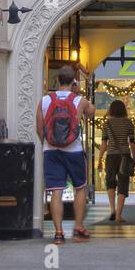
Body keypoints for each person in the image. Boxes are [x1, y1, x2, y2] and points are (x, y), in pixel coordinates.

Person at [35, 65, 96, 243]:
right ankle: (78, 227)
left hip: (51, 151)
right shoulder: (79, 100)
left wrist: (47, 144)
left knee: (56, 191)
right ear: (74, 82)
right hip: (74, 150)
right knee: (80, 188)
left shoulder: (45, 100)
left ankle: (59, 233)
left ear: (57, 80)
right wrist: (80, 95)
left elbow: (39, 127)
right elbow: (92, 113)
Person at [98, 99, 135, 223]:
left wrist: (99, 159)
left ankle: (112, 210)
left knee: (110, 182)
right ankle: (119, 215)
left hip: (111, 156)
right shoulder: (128, 123)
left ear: (112, 110)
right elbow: (132, 142)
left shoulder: (107, 124)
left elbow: (104, 143)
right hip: (124, 156)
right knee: (123, 184)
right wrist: (134, 157)